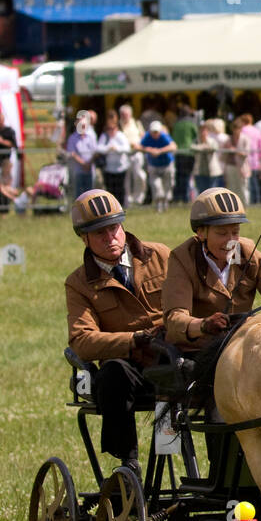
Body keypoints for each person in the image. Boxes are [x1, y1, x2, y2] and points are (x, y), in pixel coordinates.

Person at [65, 189, 170, 477]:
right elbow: (82, 341)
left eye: (114, 228)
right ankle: (128, 465)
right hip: (129, 366)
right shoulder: (78, 283)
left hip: (172, 357)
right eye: (99, 233)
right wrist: (134, 340)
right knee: (113, 374)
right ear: (84, 238)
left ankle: (224, 472)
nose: (110, 237)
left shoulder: (160, 256)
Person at [162, 187, 261, 349]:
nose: (231, 241)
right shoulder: (183, 258)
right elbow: (174, 319)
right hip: (200, 351)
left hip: (242, 347)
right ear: (201, 233)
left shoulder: (246, 252)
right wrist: (203, 325)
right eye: (222, 233)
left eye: (235, 232)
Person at [139, 119, 176, 212]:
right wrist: (150, 150)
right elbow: (138, 146)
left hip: (167, 164)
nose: (155, 134)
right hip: (154, 165)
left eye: (156, 132)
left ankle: (166, 203)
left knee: (168, 185)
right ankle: (159, 205)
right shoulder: (147, 136)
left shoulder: (164, 136)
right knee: (156, 186)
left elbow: (173, 146)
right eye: (153, 132)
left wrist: (159, 151)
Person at [96, 109, 131, 205]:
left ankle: (121, 206)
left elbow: (127, 148)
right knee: (110, 190)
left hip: (120, 168)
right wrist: (108, 149)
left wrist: (116, 149)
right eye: (109, 128)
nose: (111, 130)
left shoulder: (120, 136)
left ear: (116, 128)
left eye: (113, 128)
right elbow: (98, 148)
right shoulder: (104, 136)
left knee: (120, 189)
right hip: (109, 168)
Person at [118, 104, 147, 206]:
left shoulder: (136, 123)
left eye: (126, 114)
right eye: (122, 114)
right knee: (126, 178)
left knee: (139, 175)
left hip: (137, 153)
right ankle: (128, 201)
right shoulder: (118, 125)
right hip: (124, 154)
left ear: (130, 114)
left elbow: (143, 137)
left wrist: (139, 145)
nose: (124, 116)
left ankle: (139, 198)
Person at [66, 112, 98, 198]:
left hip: (90, 170)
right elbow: (72, 153)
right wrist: (83, 164)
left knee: (91, 195)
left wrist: (89, 164)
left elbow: (95, 152)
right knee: (79, 195)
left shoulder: (91, 136)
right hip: (78, 170)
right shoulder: (72, 138)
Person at [171, 103, 198, 203]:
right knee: (186, 177)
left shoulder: (177, 124)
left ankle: (177, 197)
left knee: (178, 176)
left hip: (178, 153)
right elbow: (196, 136)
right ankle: (186, 198)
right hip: (188, 153)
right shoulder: (191, 123)